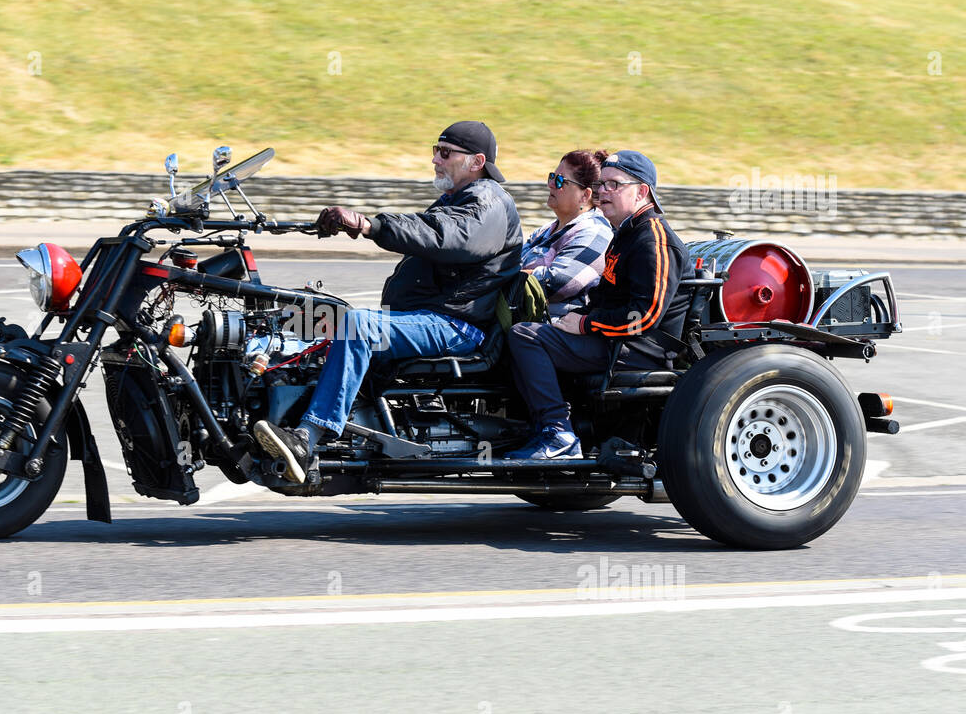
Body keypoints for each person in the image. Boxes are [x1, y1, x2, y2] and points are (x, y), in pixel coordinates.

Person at [254, 120, 524, 483]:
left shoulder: (487, 201)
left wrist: (370, 226)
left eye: (445, 153)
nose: (435, 160)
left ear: (476, 161)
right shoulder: (460, 199)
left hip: (458, 326)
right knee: (307, 317)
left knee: (358, 324)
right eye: (435, 150)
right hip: (428, 319)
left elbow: (444, 236)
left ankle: (308, 437)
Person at [505, 150, 690, 460]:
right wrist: (578, 317)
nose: (603, 192)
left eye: (614, 185)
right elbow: (604, 300)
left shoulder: (654, 238)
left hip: (639, 351)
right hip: (615, 342)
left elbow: (644, 317)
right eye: (602, 184)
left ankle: (557, 433)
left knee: (525, 336)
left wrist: (584, 324)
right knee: (536, 330)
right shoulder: (625, 234)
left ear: (642, 191)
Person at [520, 149, 614, 317]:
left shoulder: (596, 232)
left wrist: (510, 276)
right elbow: (512, 262)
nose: (550, 184)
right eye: (552, 177)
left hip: (554, 331)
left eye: (560, 181)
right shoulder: (544, 230)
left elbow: (557, 284)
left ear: (585, 195)